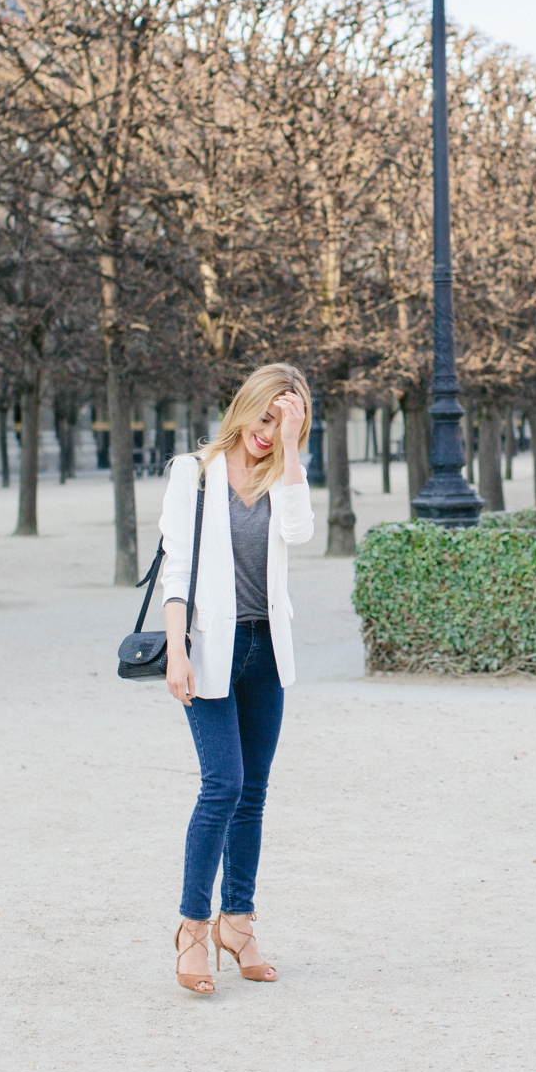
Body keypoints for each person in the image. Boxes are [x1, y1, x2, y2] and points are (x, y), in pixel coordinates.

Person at [161, 363, 314, 995]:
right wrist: (177, 653)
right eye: (266, 417)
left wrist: (294, 448)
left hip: (266, 649)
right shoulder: (191, 473)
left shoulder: (284, 474)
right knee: (222, 785)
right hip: (209, 648)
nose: (268, 432)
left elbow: (300, 533)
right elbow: (177, 571)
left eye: (283, 422)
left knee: (253, 792)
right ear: (245, 407)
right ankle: (194, 926)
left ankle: (239, 920)